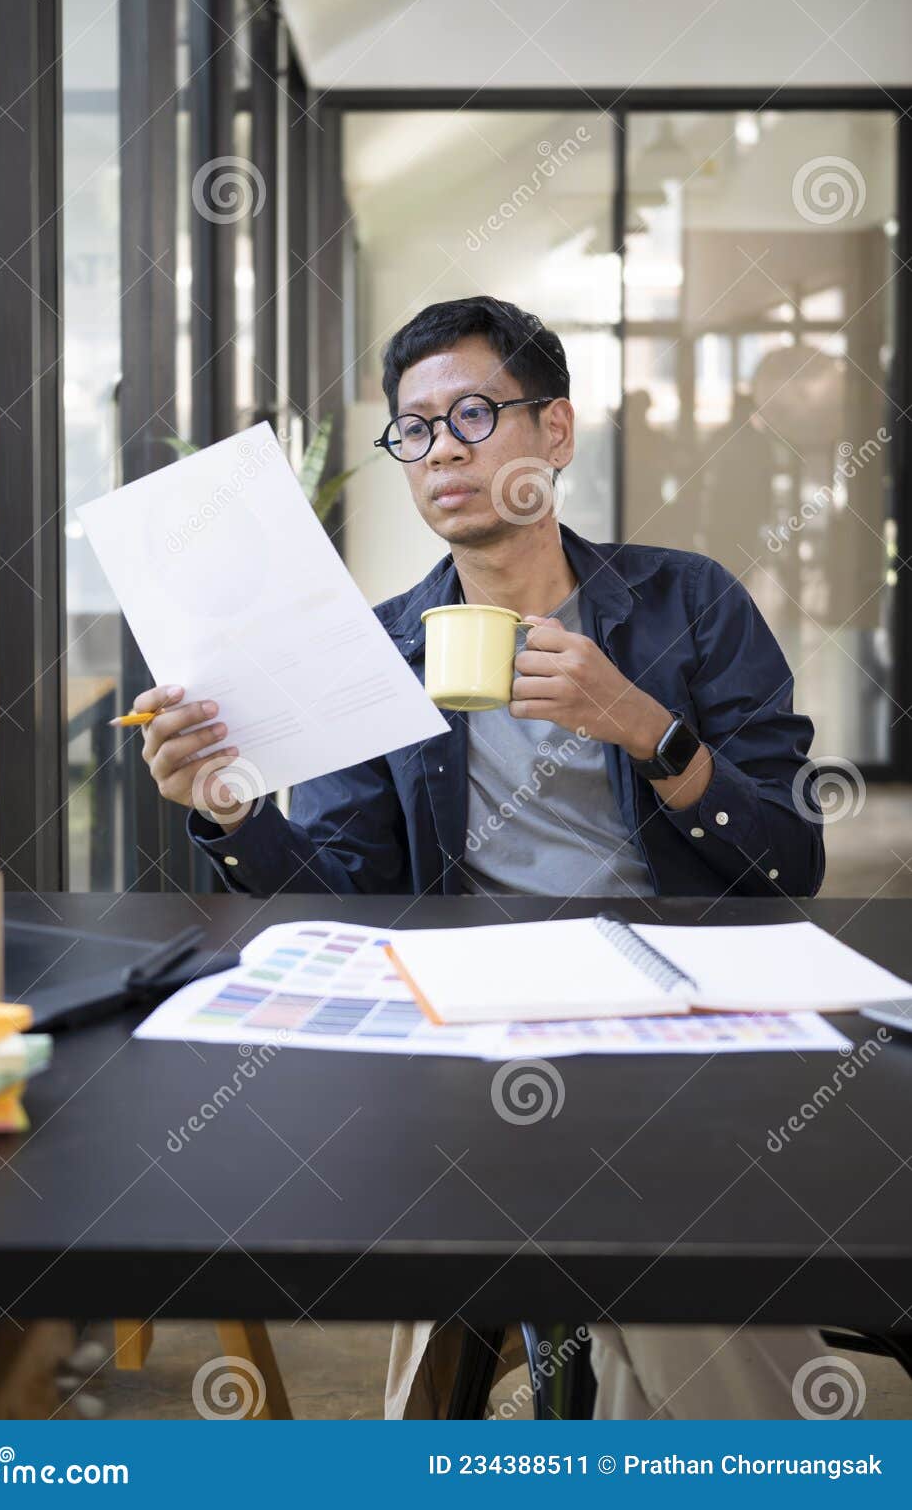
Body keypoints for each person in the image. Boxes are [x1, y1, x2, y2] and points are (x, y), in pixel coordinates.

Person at [137, 294, 828, 1420]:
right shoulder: (372, 651)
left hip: (678, 1016)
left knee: (656, 1249)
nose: (440, 452)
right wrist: (225, 811)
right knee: (614, 1257)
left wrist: (646, 730)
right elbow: (342, 895)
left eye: (470, 414)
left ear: (551, 433)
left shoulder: (688, 606)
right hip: (461, 1030)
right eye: (412, 430)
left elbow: (789, 856)